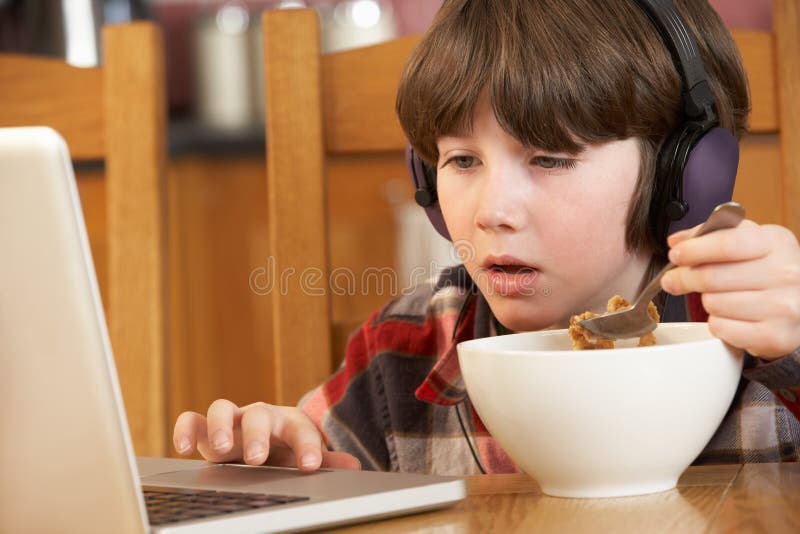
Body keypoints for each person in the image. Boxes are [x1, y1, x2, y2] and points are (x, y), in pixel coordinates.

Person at [173, 0, 800, 475]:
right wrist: (287, 471)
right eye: (462, 161)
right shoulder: (404, 351)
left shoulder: (769, 336)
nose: (492, 211)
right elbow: (319, 467)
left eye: (551, 159)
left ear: (687, 175)